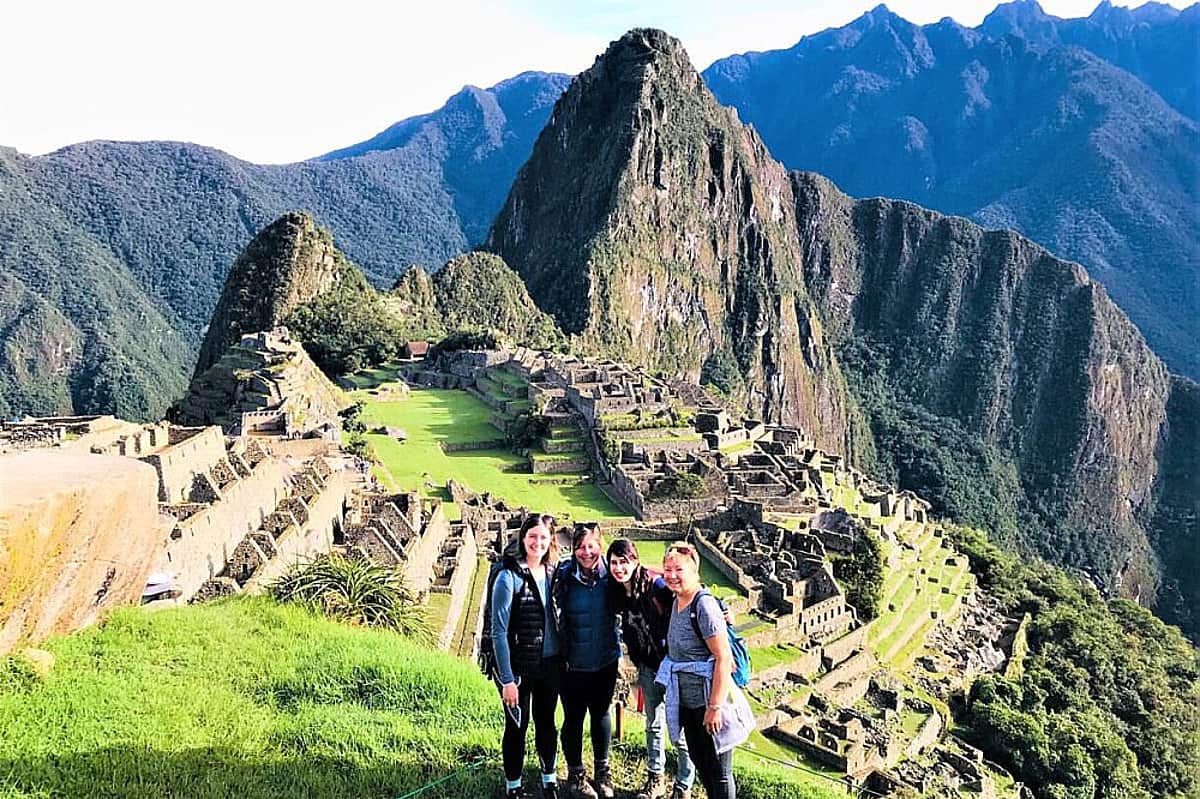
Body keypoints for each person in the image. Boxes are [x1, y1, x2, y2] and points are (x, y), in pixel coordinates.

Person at [656, 542, 755, 799]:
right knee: (703, 765)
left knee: (720, 773)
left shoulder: (704, 606)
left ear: (695, 571)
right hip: (688, 704)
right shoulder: (678, 599)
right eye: (667, 569)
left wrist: (714, 707)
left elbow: (723, 657)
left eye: (679, 569)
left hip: (708, 703)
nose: (671, 575)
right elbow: (655, 575)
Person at [606, 538, 696, 799]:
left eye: (625, 561)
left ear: (635, 561)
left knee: (679, 729)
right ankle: (656, 778)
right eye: (614, 562)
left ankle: (683, 786)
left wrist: (721, 610)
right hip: (647, 666)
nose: (619, 567)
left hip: (672, 665)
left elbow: (688, 594)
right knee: (653, 724)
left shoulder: (655, 585)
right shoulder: (617, 591)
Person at [492, 514, 562, 799]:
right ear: (523, 538)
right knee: (516, 728)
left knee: (546, 724)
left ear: (551, 541)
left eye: (544, 537)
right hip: (519, 668)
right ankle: (514, 786)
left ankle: (549, 780)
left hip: (549, 666)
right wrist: (507, 679)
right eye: (533, 536)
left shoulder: (554, 573)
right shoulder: (508, 577)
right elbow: (499, 632)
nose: (538, 542)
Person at [551, 522, 621, 799]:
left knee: (601, 715)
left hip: (605, 659)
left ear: (600, 545)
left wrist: (719, 609)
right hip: (572, 663)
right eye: (580, 546)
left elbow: (648, 583)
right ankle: (576, 774)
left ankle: (603, 772)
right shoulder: (564, 576)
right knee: (573, 718)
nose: (586, 552)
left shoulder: (613, 575)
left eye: (591, 545)